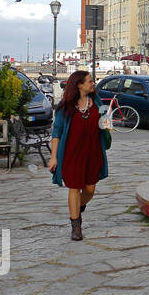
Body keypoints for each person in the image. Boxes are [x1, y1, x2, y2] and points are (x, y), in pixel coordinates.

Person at [48, 70, 110, 241]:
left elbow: (103, 120)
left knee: (90, 189)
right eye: (90, 81)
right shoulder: (65, 106)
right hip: (72, 154)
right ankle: (76, 225)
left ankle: (78, 206)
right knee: (74, 188)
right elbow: (57, 132)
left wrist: (105, 125)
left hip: (93, 152)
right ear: (79, 85)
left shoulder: (95, 101)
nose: (93, 84)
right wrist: (54, 157)